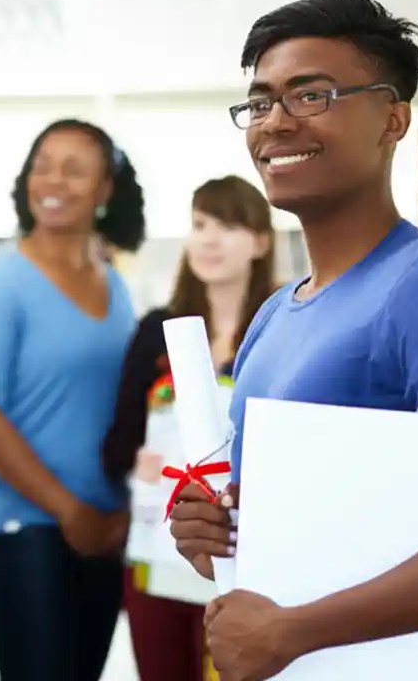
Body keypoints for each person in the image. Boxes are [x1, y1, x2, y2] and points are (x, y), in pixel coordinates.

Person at [168, 0, 418, 681]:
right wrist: (214, 533)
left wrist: (292, 631)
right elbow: (301, 535)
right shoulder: (275, 316)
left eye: (310, 95)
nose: (276, 122)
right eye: (260, 103)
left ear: (393, 119)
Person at [0, 119, 146, 681]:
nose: (53, 181)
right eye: (42, 166)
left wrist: (120, 513)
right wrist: (69, 512)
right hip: (26, 527)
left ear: (105, 189)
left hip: (105, 527)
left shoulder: (116, 286)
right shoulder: (3, 281)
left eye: (74, 169)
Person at [102, 175, 276, 681]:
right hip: (160, 547)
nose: (209, 239)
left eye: (227, 225)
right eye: (200, 225)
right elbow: (117, 445)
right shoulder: (156, 330)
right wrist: (137, 463)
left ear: (261, 242)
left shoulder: (280, 330)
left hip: (249, 554)